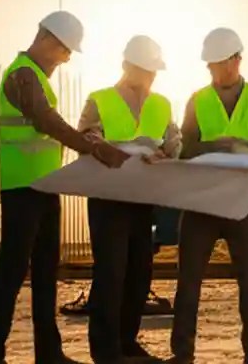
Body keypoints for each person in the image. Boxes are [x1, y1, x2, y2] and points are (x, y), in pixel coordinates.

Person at [0, 11, 131, 364]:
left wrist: (86, 139)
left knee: (46, 272)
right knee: (12, 272)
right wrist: (90, 146)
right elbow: (45, 120)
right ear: (48, 39)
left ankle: (49, 354)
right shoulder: (22, 76)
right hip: (21, 189)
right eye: (65, 52)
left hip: (46, 188)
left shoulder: (38, 79)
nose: (65, 60)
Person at [169, 27, 248, 364]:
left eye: (220, 64)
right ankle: (182, 355)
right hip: (202, 202)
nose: (215, 72)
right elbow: (185, 149)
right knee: (188, 281)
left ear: (237, 59)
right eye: (210, 66)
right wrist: (216, 147)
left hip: (242, 202)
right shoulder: (198, 100)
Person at [78, 35, 180, 364]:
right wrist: (105, 145)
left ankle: (127, 341)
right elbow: (85, 137)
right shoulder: (101, 99)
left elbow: (174, 140)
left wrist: (166, 153)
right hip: (108, 196)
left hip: (142, 196)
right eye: (144, 70)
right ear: (126, 66)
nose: (150, 77)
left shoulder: (162, 103)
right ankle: (106, 350)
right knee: (111, 271)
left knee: (139, 270)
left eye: (153, 71)